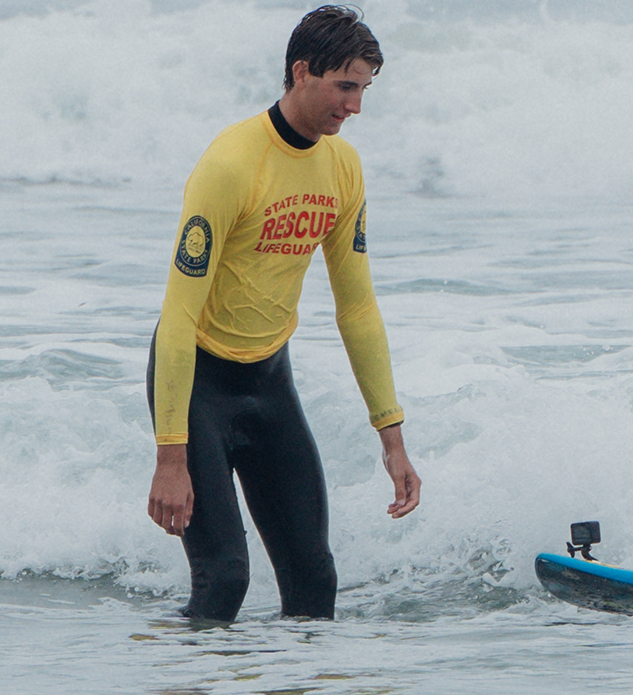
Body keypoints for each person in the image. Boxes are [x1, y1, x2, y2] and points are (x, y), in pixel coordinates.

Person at [145, 5, 420, 623]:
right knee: (224, 581)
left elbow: (358, 307)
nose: (355, 106)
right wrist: (171, 456)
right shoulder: (230, 165)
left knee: (314, 580)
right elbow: (179, 312)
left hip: (269, 381)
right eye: (345, 86)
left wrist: (392, 437)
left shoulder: (341, 168)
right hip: (198, 385)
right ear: (301, 72)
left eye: (364, 89)